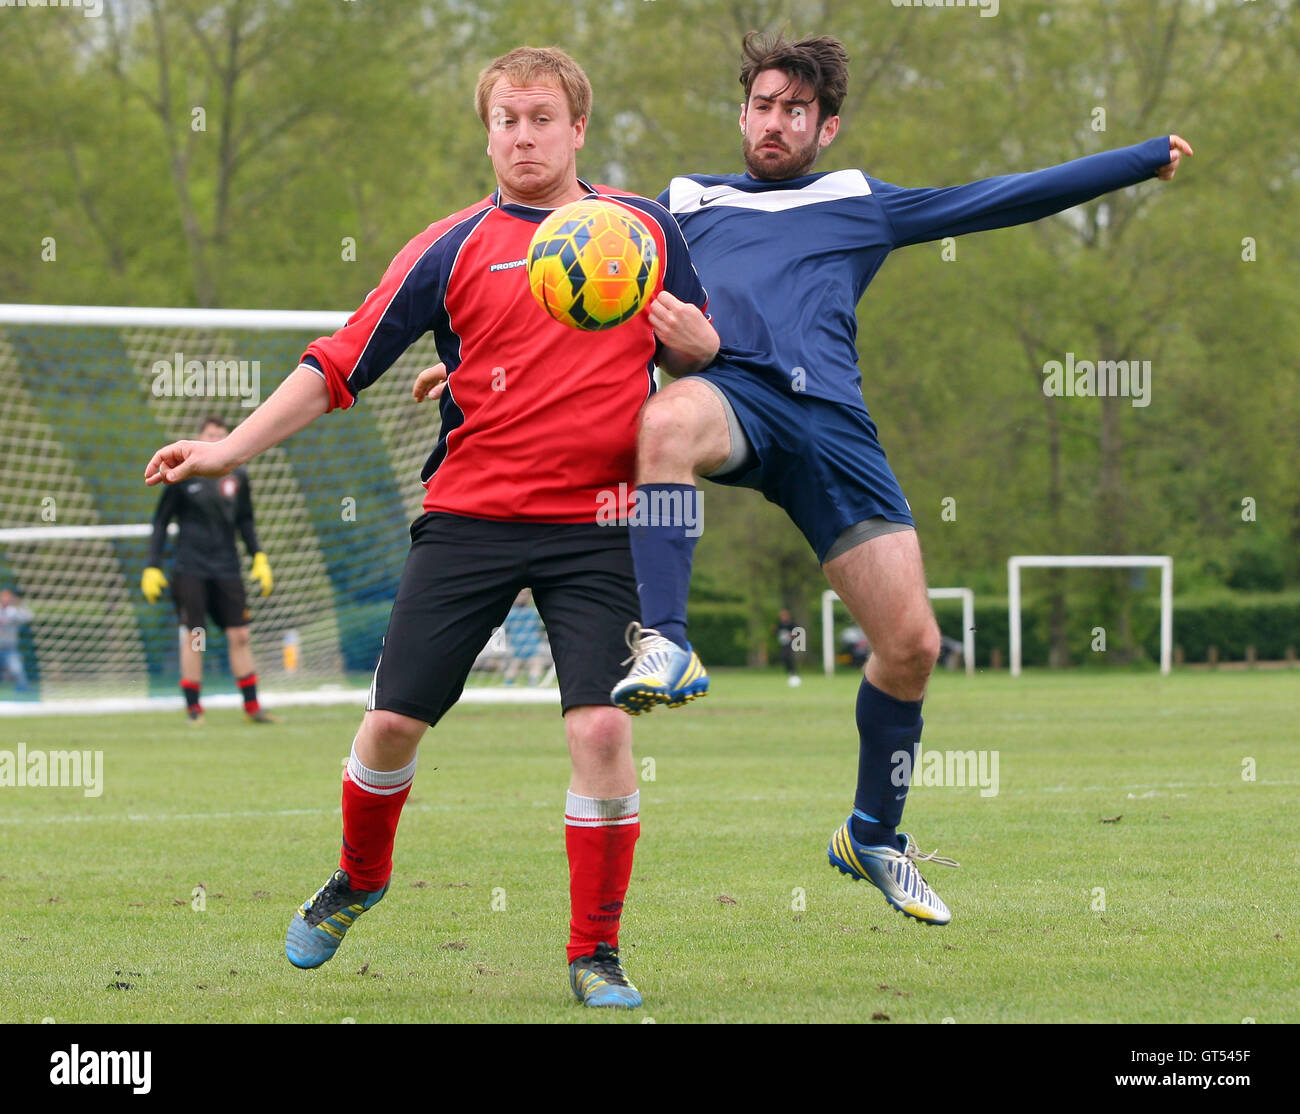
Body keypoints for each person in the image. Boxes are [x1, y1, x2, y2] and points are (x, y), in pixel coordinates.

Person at [144, 46, 714, 1009]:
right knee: (392, 723)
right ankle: (359, 878)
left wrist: (706, 347)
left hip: (602, 527)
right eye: (505, 120)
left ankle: (595, 953)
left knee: (605, 734)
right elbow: (338, 363)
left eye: (542, 118)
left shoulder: (645, 230)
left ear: (579, 127)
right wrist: (229, 448)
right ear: (486, 131)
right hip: (470, 520)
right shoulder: (448, 247)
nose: (523, 136)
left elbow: (712, 371)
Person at [611, 32, 1192, 925]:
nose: (775, 122)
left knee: (912, 647)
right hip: (731, 396)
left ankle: (873, 835)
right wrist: (470, 372)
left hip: (834, 431)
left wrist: (1137, 160)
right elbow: (585, 282)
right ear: (742, 113)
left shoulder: (856, 201)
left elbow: (1003, 199)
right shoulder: (679, 204)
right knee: (662, 419)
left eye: (795, 110)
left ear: (828, 127)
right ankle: (667, 640)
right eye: (763, 105)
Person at [142, 413, 276, 725]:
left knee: (240, 634)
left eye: (221, 435)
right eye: (210, 435)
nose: (215, 440)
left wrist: (258, 556)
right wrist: (152, 565)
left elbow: (245, 520)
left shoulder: (238, 477)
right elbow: (161, 521)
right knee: (196, 635)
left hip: (227, 566)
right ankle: (193, 709)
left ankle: (253, 708)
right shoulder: (182, 475)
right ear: (200, 439)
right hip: (191, 567)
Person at [0, 588, 33, 693]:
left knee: (17, 669)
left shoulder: (13, 612)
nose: (6, 599)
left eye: (8, 598)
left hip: (9, 648)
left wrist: (20, 604)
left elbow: (29, 617)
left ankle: (23, 689)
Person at [775, 607, 800, 687]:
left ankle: (793, 671)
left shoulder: (791, 624)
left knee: (787, 656)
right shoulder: (780, 624)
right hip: (783, 643)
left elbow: (797, 632)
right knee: (783, 657)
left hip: (790, 643)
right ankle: (790, 671)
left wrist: (791, 635)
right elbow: (777, 631)